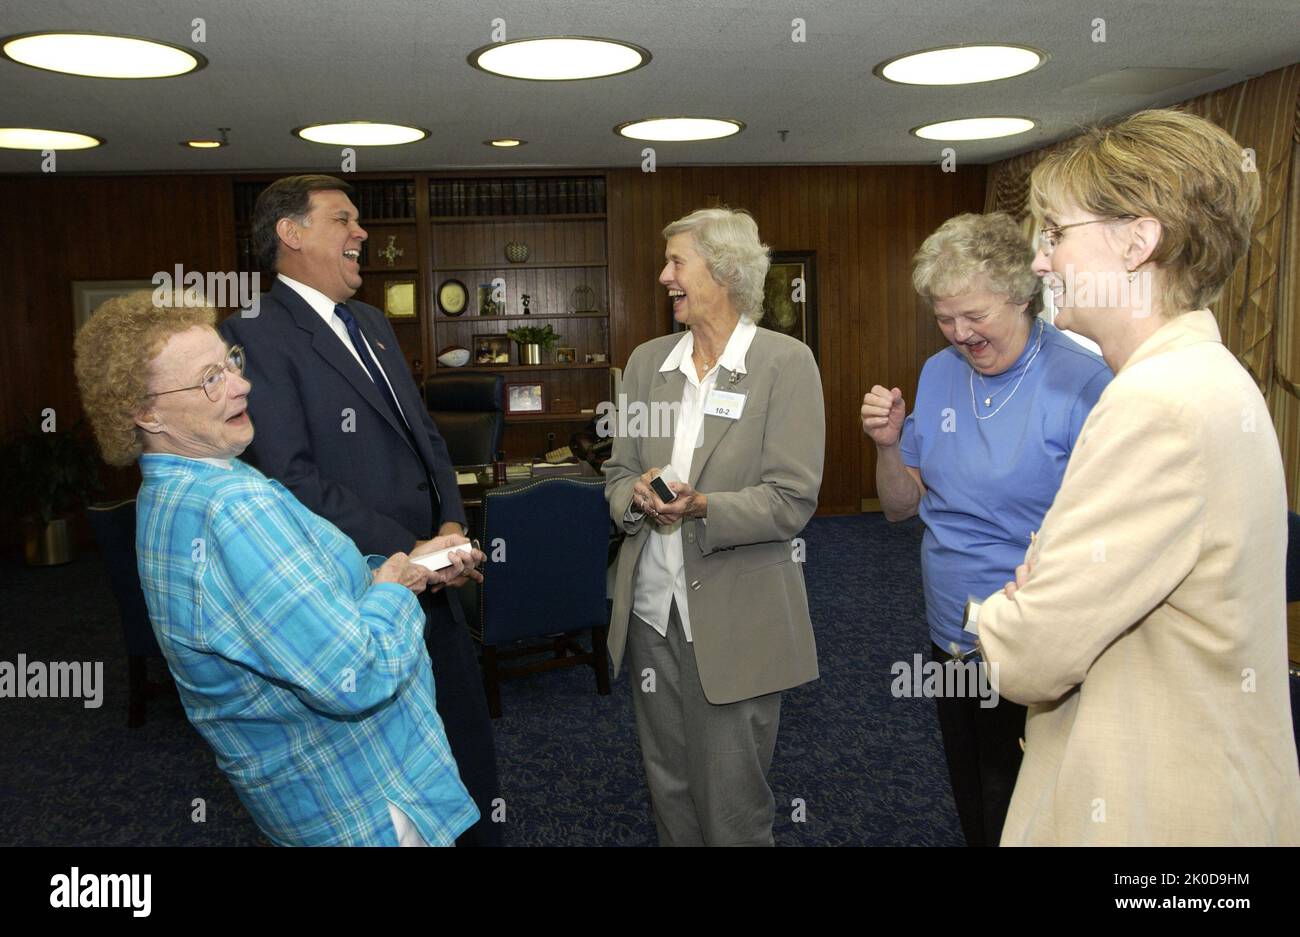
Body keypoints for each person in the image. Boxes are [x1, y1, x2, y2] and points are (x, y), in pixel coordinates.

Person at [976, 108, 1300, 844]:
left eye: (1056, 233)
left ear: (1137, 240)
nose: (1040, 261)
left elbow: (1027, 655)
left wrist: (1009, 604)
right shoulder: (1207, 374)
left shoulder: (1155, 405)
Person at [73, 292, 484, 846]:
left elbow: (299, 595)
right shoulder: (233, 510)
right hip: (368, 800)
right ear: (145, 413)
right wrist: (394, 590)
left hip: (304, 798)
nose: (241, 386)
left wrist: (396, 567)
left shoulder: (171, 494)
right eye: (208, 380)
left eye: (230, 364)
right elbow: (357, 675)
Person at [219, 175, 500, 845]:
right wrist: (413, 552)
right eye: (343, 219)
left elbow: (426, 435)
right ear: (290, 234)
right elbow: (290, 476)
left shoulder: (371, 323)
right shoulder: (253, 332)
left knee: (465, 744)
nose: (362, 233)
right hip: (359, 591)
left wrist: (452, 525)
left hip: (431, 578)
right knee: (395, 769)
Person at [861, 212, 1111, 846]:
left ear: (1023, 295)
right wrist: (889, 447)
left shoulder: (1083, 379)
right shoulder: (938, 371)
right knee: (974, 789)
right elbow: (899, 508)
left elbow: (1106, 532)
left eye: (975, 316)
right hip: (950, 630)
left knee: (1031, 803)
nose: (960, 334)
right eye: (945, 318)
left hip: (1037, 640)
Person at [604, 207, 825, 846]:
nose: (663, 275)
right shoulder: (648, 364)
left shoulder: (786, 364)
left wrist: (705, 507)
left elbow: (792, 499)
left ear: (723, 272)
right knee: (668, 786)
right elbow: (617, 473)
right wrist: (636, 495)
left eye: (677, 262)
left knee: (731, 804)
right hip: (652, 611)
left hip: (737, 616)